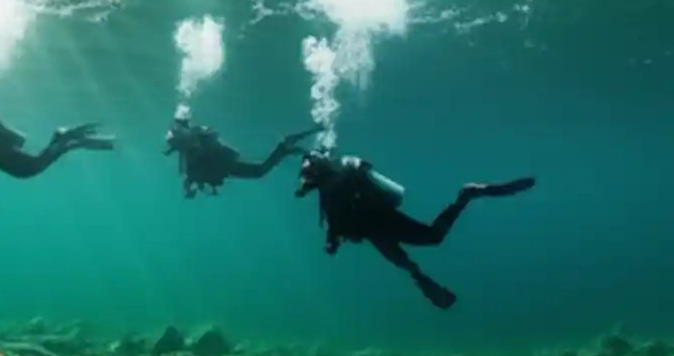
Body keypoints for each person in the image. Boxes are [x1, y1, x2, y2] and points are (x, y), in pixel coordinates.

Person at [294, 150, 536, 309]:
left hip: (382, 222)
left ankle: (466, 194)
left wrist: (333, 239)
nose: (305, 179)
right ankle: (427, 285)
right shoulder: (327, 187)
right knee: (407, 261)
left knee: (431, 240)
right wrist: (332, 240)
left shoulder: (339, 176)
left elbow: (338, 212)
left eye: (308, 170)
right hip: (373, 230)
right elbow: (335, 218)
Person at [0, 100, 115, 181]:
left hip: (21, 166)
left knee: (47, 158)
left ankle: (71, 137)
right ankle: (69, 136)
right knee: (52, 153)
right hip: (18, 162)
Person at [164, 110, 323, 198]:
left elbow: (193, 171)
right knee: (260, 170)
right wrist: (188, 188)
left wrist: (189, 187)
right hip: (225, 167)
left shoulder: (195, 141)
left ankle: (286, 145)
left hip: (226, 165)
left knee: (260, 171)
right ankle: (284, 149)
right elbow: (190, 174)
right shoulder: (188, 151)